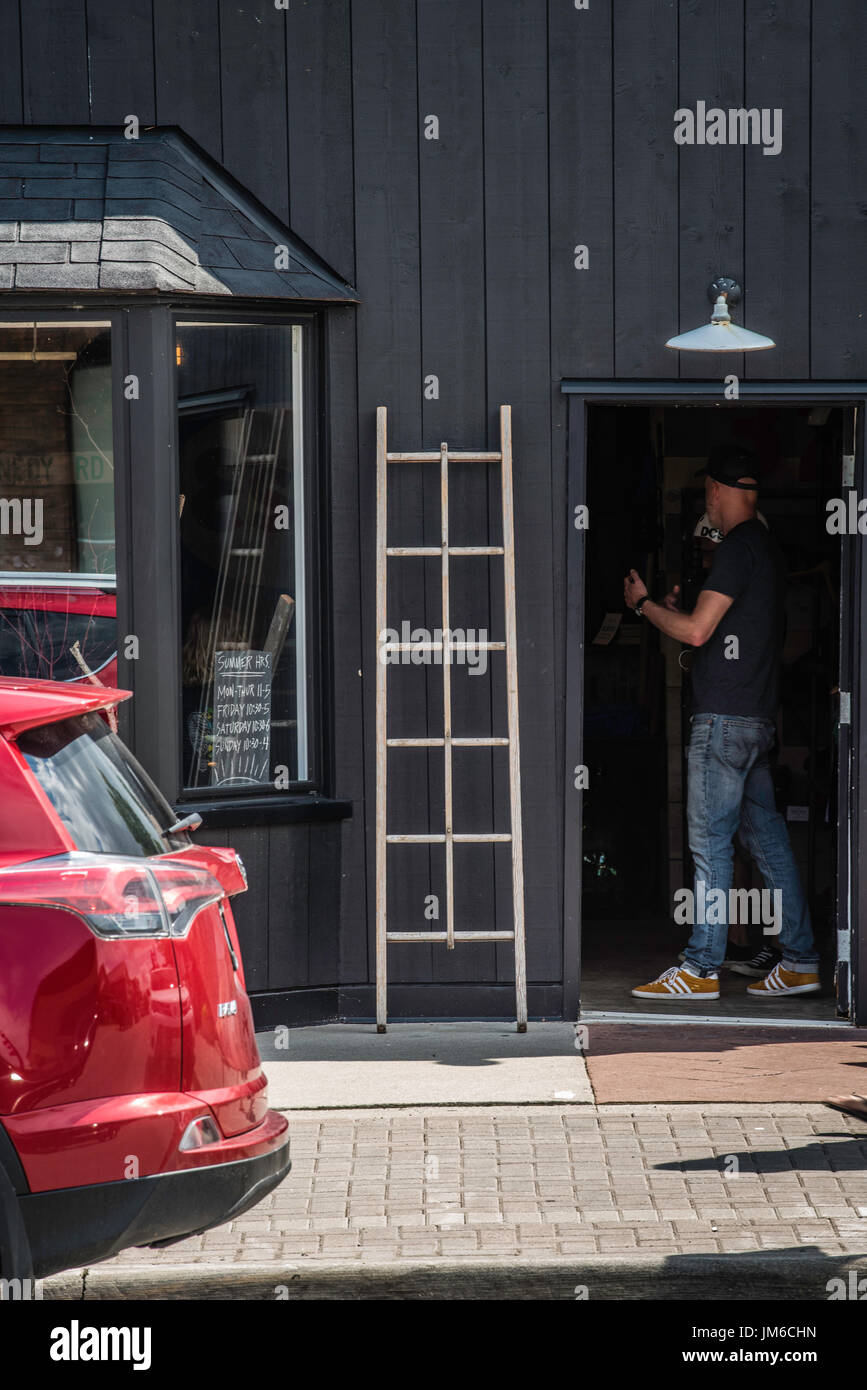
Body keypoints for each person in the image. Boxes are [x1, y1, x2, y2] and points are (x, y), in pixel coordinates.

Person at [623, 442, 820, 1002]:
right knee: (770, 844)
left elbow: (695, 633)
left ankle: (699, 966)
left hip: (724, 720)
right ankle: (802, 959)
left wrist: (643, 606)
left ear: (715, 490)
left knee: (710, 846)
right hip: (756, 718)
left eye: (707, 491)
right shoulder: (766, 547)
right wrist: (682, 606)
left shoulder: (737, 547)